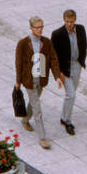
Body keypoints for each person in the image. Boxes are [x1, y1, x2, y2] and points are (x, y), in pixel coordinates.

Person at [15, 16, 64, 149]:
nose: (40, 29)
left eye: (41, 27)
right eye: (37, 27)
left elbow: (53, 59)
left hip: (41, 78)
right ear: (31, 28)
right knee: (38, 109)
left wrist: (57, 77)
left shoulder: (47, 42)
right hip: (29, 79)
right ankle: (42, 137)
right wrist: (18, 81)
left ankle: (25, 120)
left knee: (33, 102)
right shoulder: (23, 44)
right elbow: (18, 63)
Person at [50, 10, 87, 136]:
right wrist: (58, 73)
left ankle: (63, 116)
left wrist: (82, 61)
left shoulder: (81, 29)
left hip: (76, 65)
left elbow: (84, 45)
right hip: (65, 68)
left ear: (75, 20)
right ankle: (68, 121)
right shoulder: (57, 34)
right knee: (71, 95)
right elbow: (53, 55)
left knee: (71, 94)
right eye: (67, 22)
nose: (70, 24)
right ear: (64, 20)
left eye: (72, 22)